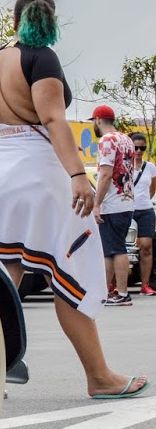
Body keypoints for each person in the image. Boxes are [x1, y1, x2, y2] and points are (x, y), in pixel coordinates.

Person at [0, 0, 145, 398]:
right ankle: (99, 376)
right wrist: (78, 174)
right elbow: (51, 118)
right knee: (70, 272)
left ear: (13, 21)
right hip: (36, 169)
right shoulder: (42, 57)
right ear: (49, 20)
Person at [90, 105, 137, 306]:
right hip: (127, 200)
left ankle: (122, 292)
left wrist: (97, 204)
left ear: (99, 120)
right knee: (111, 249)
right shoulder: (126, 139)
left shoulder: (106, 141)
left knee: (116, 249)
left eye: (93, 121)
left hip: (112, 202)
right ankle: (106, 292)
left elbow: (106, 174)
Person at [131, 133, 155, 296]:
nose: (139, 151)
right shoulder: (124, 165)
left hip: (145, 209)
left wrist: (144, 200)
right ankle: (113, 286)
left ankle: (145, 285)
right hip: (126, 210)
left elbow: (152, 188)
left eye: (142, 148)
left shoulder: (151, 167)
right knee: (120, 248)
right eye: (136, 147)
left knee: (146, 246)